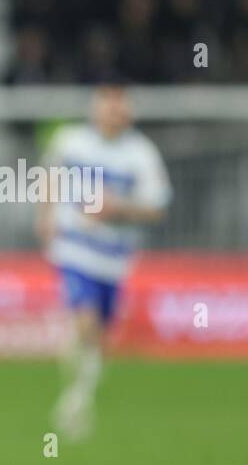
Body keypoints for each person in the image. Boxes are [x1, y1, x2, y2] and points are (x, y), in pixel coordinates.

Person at [38, 83, 171, 439]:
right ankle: (75, 404)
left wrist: (118, 209)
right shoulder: (71, 141)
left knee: (98, 337)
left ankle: (79, 395)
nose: (113, 115)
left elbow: (158, 207)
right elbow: (50, 176)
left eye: (119, 109)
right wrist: (47, 218)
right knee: (86, 320)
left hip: (113, 258)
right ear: (96, 110)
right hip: (75, 247)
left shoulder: (142, 154)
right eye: (107, 108)